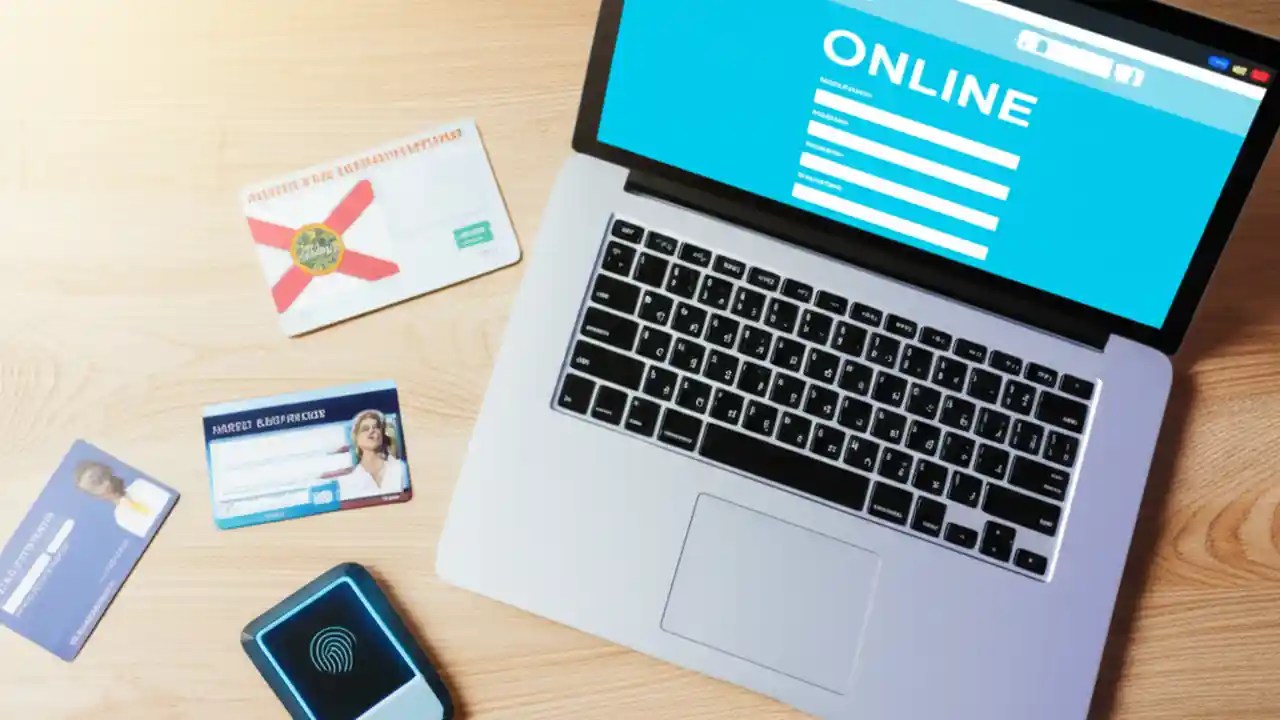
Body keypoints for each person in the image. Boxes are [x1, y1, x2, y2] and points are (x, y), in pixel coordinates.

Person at [73, 461, 171, 538]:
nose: (103, 485)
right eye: (93, 485)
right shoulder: (121, 517)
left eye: (99, 477)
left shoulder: (140, 486)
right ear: (94, 496)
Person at [338, 409, 408, 501]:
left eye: (376, 427)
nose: (371, 431)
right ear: (356, 439)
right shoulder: (348, 482)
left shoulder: (400, 468)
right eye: (365, 429)